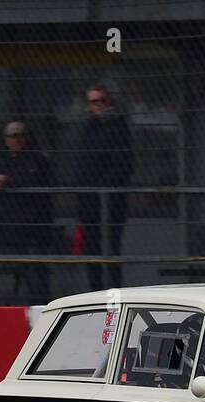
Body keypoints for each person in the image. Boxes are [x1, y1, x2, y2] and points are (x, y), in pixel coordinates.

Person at [0, 120, 55, 303]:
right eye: (12, 136)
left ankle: (41, 308)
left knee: (36, 272)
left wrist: (9, 181)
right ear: (5, 139)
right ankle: (19, 306)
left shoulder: (37, 158)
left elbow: (38, 180)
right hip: (13, 227)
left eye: (20, 135)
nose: (17, 140)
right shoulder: (1, 159)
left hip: (34, 226)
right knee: (19, 271)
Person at [76, 85, 133, 290]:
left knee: (110, 249)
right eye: (93, 101)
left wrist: (103, 188)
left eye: (101, 100)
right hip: (89, 202)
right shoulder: (89, 128)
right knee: (92, 251)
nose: (97, 105)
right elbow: (82, 164)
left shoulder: (118, 127)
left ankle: (113, 294)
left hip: (110, 201)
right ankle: (96, 292)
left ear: (108, 102)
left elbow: (122, 163)